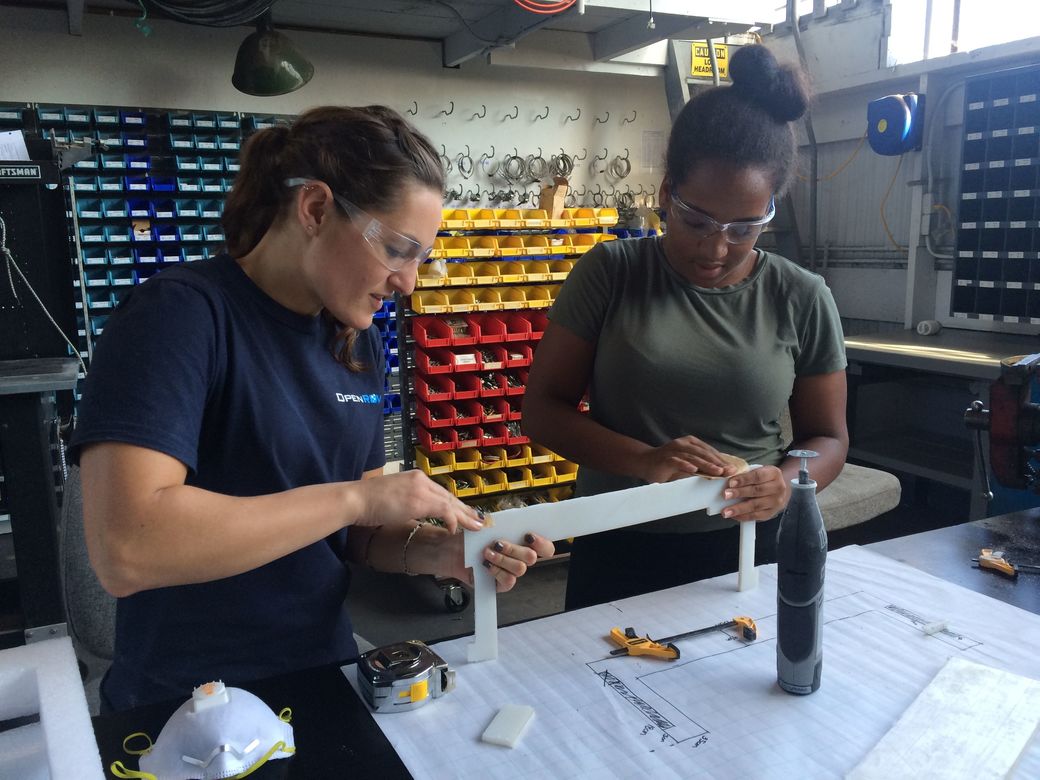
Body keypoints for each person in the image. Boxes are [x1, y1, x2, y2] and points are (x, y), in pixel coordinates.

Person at [70, 105, 553, 711]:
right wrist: (358, 497)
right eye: (399, 250)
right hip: (192, 703)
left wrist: (441, 552)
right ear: (316, 209)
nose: (408, 282)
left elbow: (354, 536)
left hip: (323, 675)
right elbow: (128, 547)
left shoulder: (355, 342)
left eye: (421, 259)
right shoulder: (180, 318)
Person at [523, 44, 848, 611]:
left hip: (749, 546)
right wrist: (643, 461)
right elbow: (543, 410)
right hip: (619, 538)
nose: (716, 248)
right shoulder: (612, 272)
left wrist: (790, 480)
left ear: (772, 210)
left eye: (744, 228)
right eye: (696, 220)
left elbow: (828, 439)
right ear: (666, 192)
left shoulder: (801, 295)